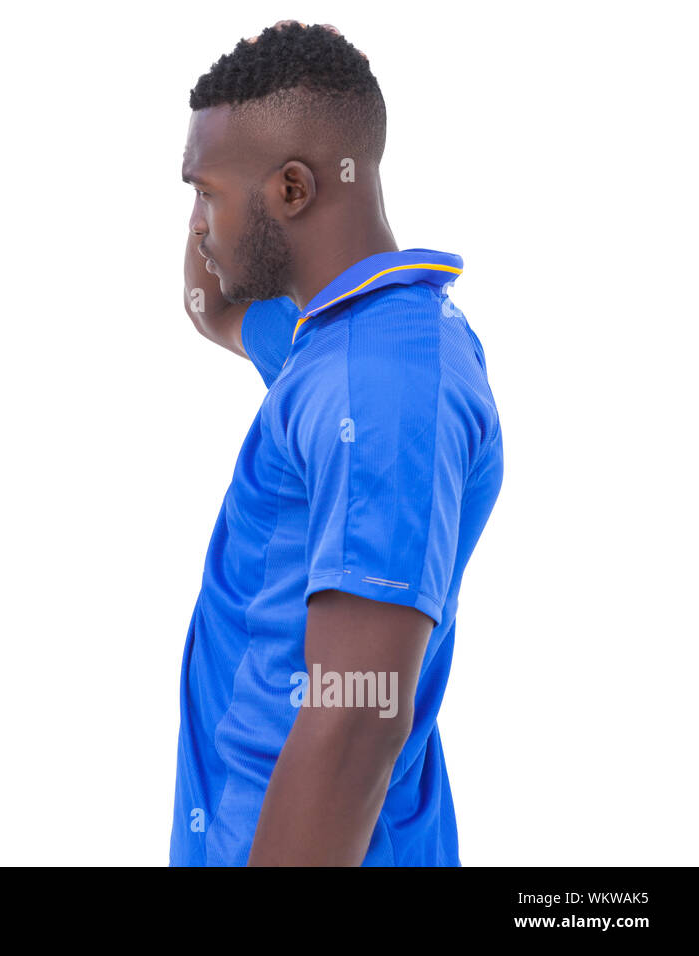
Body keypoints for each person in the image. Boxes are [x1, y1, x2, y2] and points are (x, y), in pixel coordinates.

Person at [170, 22, 504, 866]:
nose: (198, 224)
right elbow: (213, 308)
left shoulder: (382, 389)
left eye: (208, 195)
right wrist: (215, 170)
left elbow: (359, 713)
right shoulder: (330, 340)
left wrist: (222, 166)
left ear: (290, 189)